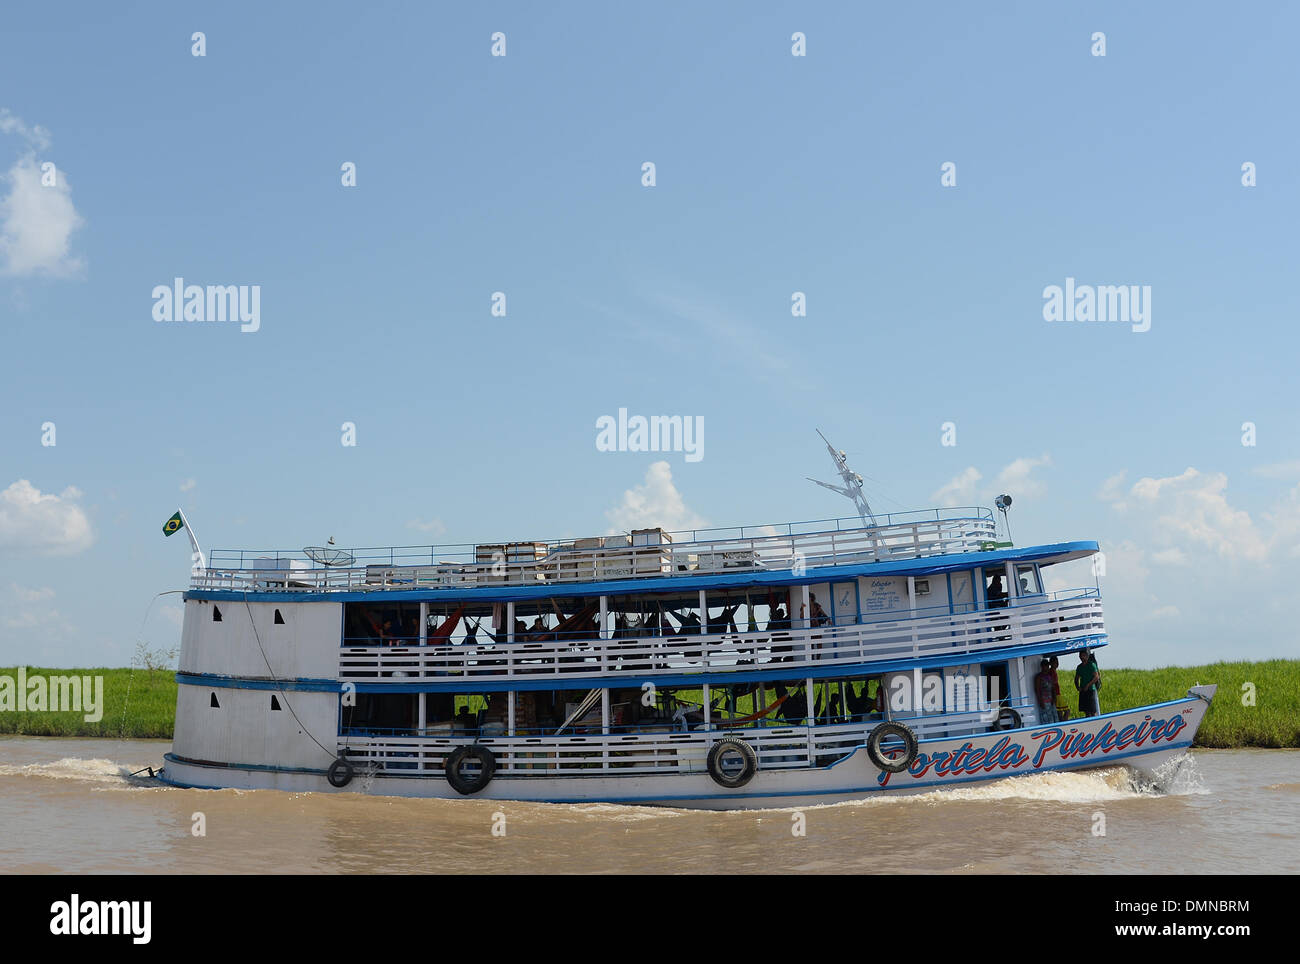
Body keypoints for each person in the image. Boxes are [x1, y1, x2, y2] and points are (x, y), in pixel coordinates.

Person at [1074, 649, 1101, 717]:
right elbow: (1076, 679)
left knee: (1093, 710)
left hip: (1091, 689)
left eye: (1083, 656)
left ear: (1087, 656)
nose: (1082, 657)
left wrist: (1088, 685)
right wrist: (1078, 687)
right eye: (1080, 656)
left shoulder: (1091, 665)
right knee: (1086, 711)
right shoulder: (1079, 667)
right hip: (1083, 690)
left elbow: (1096, 677)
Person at [1034, 658, 1058, 723]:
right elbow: (1037, 690)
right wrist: (1040, 701)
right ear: (1042, 667)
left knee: (1055, 717)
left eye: (1047, 666)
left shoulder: (1049, 676)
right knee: (1046, 719)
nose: (1047, 668)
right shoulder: (1039, 677)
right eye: (1045, 666)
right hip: (1044, 701)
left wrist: (1054, 698)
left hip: (1051, 700)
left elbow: (1053, 688)